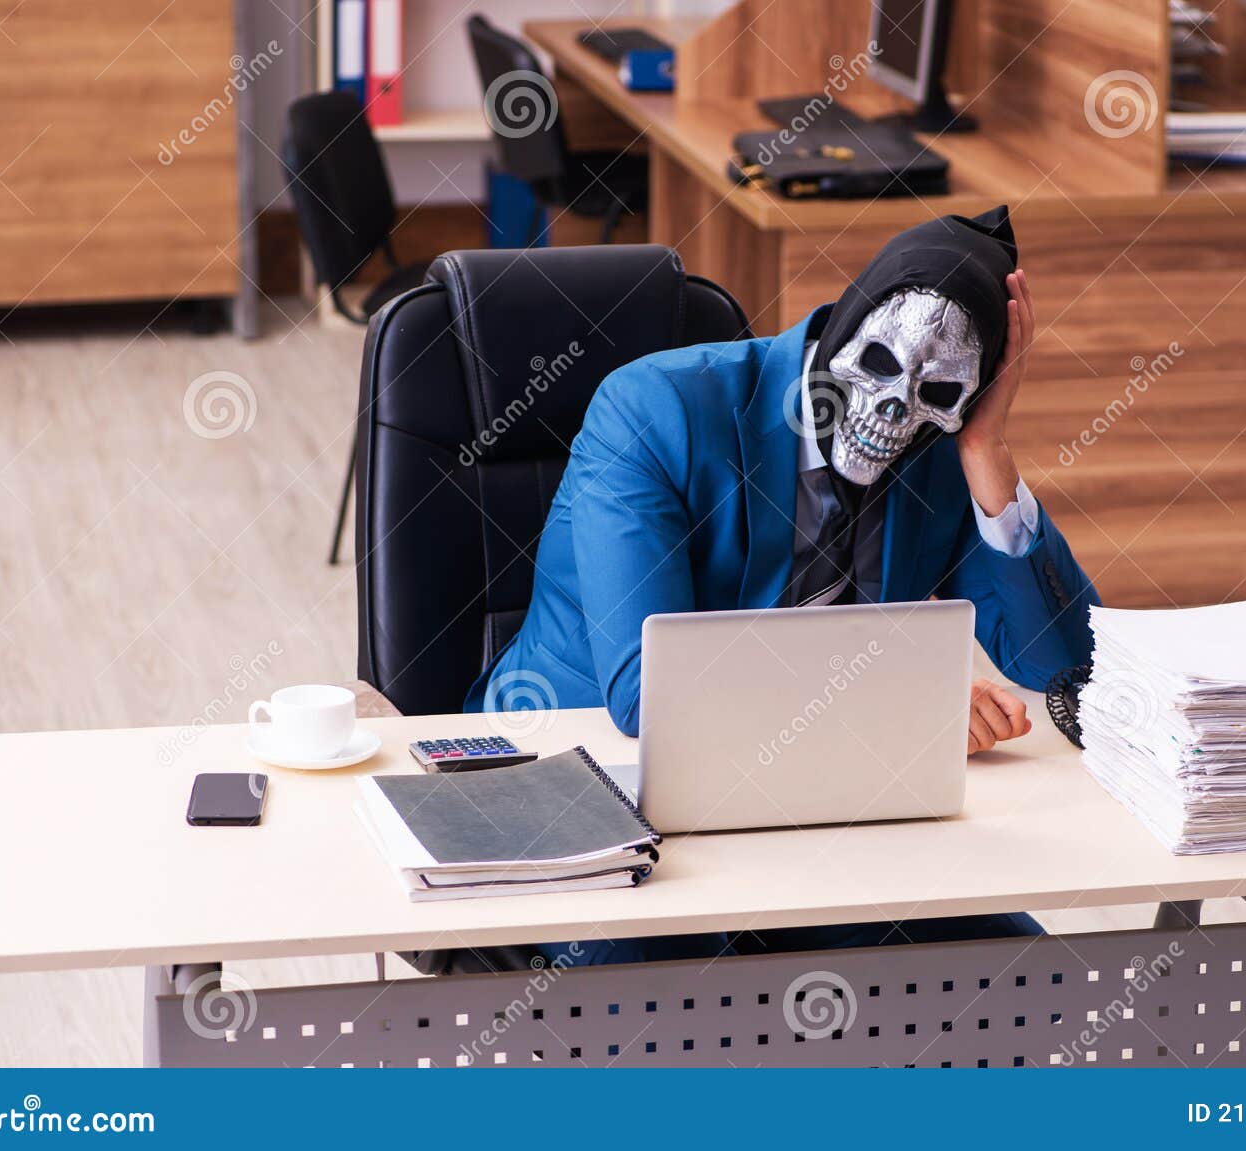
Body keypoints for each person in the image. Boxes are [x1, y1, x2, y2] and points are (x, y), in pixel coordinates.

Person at [467, 206, 1100, 967]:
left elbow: (1067, 668)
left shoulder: (938, 451)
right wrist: (903, 701)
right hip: (587, 790)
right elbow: (650, 697)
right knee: (666, 1002)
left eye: (939, 391)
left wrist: (986, 448)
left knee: (1023, 982)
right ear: (845, 336)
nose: (895, 412)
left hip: (818, 805)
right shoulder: (652, 410)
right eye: (882, 369)